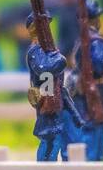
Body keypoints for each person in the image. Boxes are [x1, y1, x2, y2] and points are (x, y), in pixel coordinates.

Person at [25, 13, 81, 162]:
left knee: (71, 135)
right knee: (50, 140)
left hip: (59, 98)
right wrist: (60, 58)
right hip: (47, 101)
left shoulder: (49, 50)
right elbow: (46, 69)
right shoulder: (35, 51)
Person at [68, 0, 103, 161]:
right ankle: (92, 166)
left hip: (92, 90)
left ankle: (94, 165)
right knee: (94, 128)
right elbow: (100, 65)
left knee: (95, 127)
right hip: (92, 91)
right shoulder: (94, 41)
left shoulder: (86, 39)